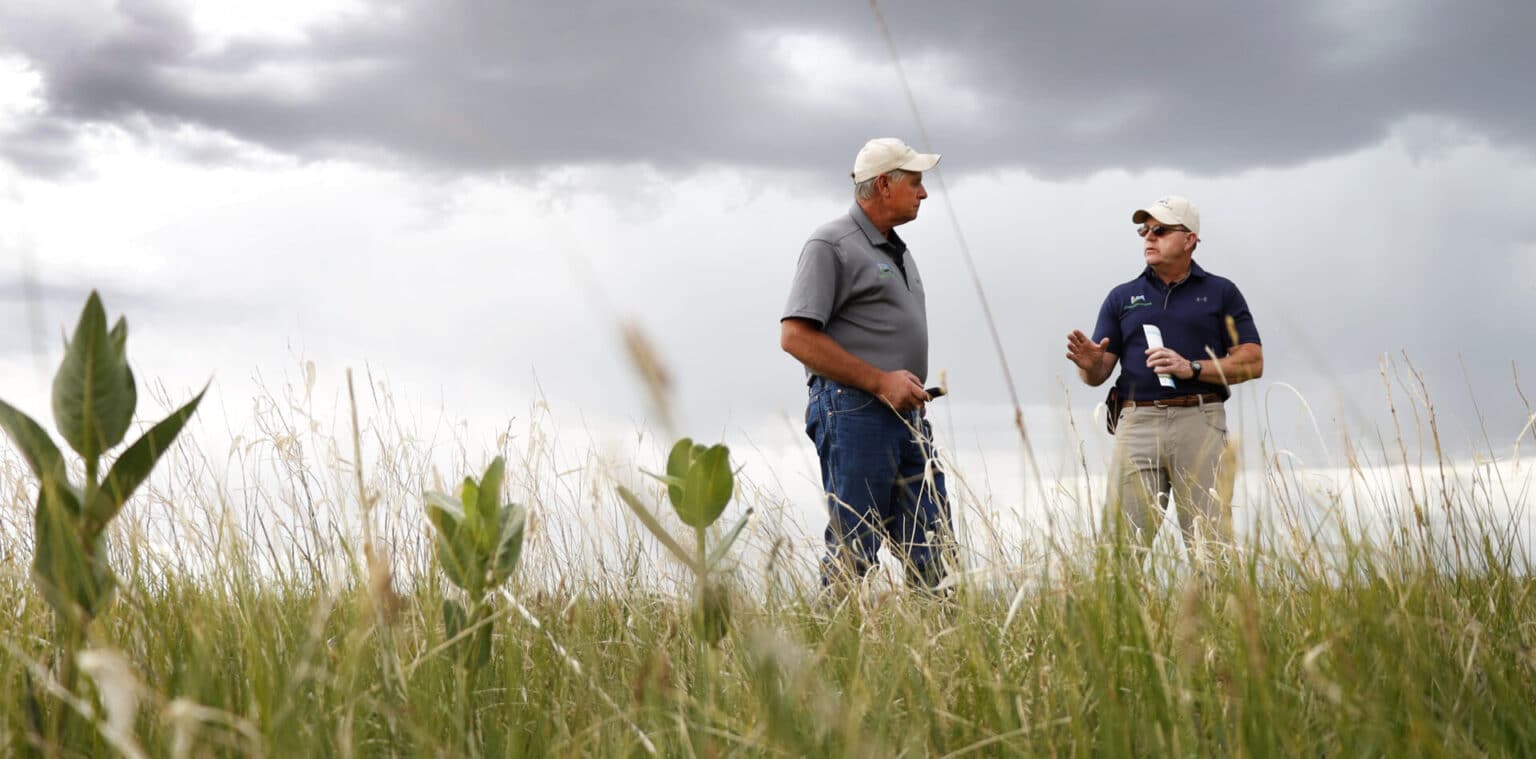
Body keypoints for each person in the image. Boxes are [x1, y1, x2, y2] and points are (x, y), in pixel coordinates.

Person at [780, 137, 951, 589]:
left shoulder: (897, 249)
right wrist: (879, 382)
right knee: (854, 551)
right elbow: (795, 337)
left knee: (934, 547)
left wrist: (898, 389)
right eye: (915, 182)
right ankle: (835, 654)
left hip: (905, 415)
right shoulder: (830, 244)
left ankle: (944, 654)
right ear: (882, 186)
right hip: (855, 412)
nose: (924, 192)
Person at [1065, 195, 1263, 558]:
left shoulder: (1221, 292)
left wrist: (1193, 368)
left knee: (1211, 548)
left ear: (1190, 239)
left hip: (1200, 420)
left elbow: (1252, 361)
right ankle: (1120, 616)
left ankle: (1214, 616)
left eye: (1160, 230)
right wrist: (1090, 363)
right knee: (1121, 550)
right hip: (1138, 422)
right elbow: (1097, 375)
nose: (1148, 238)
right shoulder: (1123, 297)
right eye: (1144, 230)